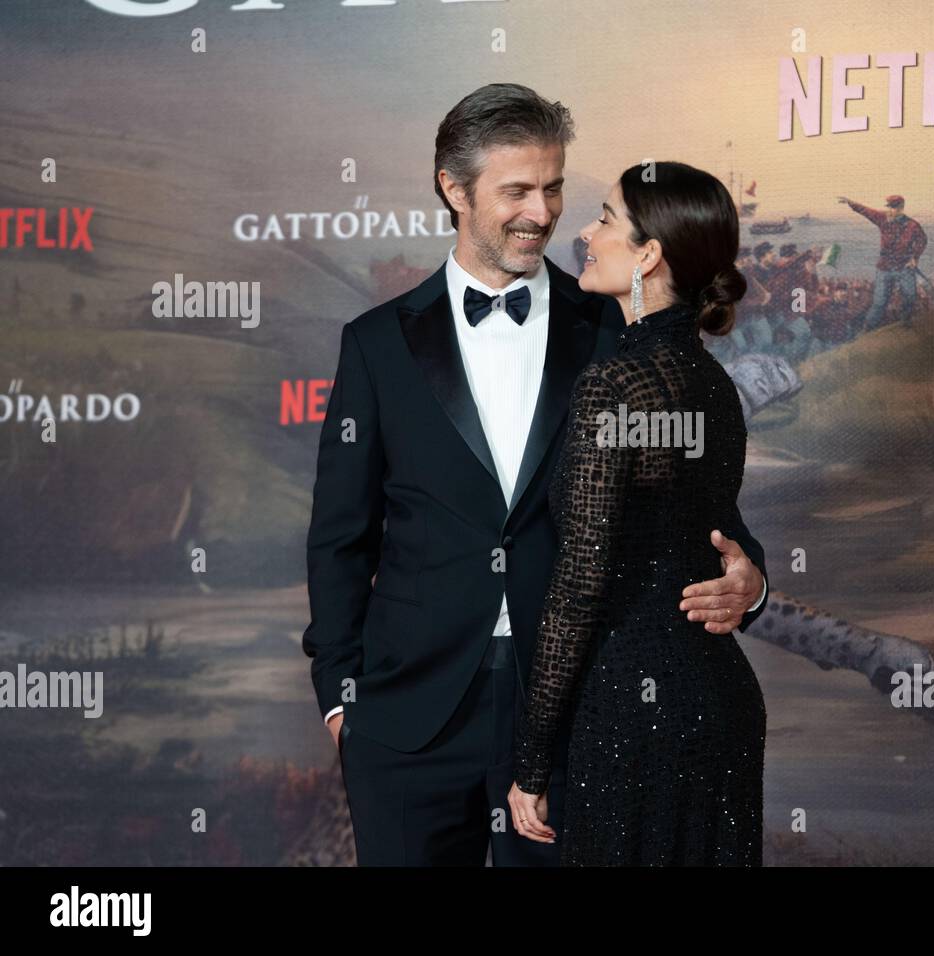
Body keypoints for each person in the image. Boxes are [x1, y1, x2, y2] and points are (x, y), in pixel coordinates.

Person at [301, 84, 770, 867]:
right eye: (517, 190)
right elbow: (339, 537)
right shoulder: (376, 345)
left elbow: (694, 506)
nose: (543, 212)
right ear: (454, 189)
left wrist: (750, 583)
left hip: (576, 712)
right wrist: (340, 700)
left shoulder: (612, 329)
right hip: (408, 715)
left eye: (554, 187)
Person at [508, 162, 769, 865]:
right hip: (721, 703)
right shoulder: (714, 383)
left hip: (634, 714)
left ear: (648, 254)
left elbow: (582, 579)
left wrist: (532, 759)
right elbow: (709, 528)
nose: (585, 233)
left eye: (603, 219)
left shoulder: (616, 382)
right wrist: (754, 578)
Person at [837, 193, 927, 330]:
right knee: (879, 302)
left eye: (894, 208)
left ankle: (905, 322)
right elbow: (866, 211)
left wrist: (915, 257)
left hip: (904, 268)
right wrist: (851, 202)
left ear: (901, 208)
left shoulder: (912, 225)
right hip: (884, 268)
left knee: (910, 297)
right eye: (889, 207)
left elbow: (922, 240)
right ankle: (867, 328)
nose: (890, 210)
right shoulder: (883, 218)